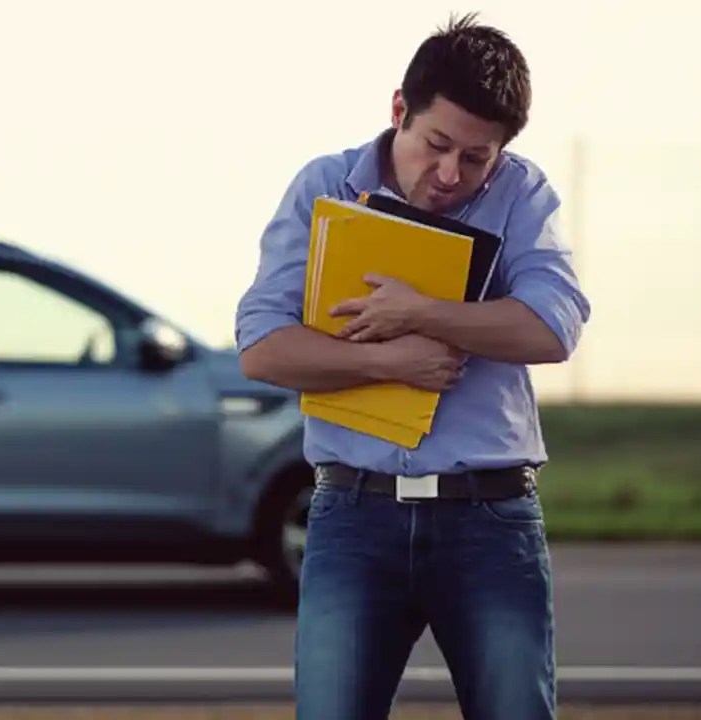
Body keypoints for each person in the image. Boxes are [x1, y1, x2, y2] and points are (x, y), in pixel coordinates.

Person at [234, 13, 591, 720]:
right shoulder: (325, 186)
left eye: (476, 157)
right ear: (400, 109)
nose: (451, 174)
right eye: (437, 145)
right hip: (351, 514)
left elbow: (553, 328)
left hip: (492, 519)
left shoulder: (523, 194)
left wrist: (420, 310)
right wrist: (393, 359)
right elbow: (261, 347)